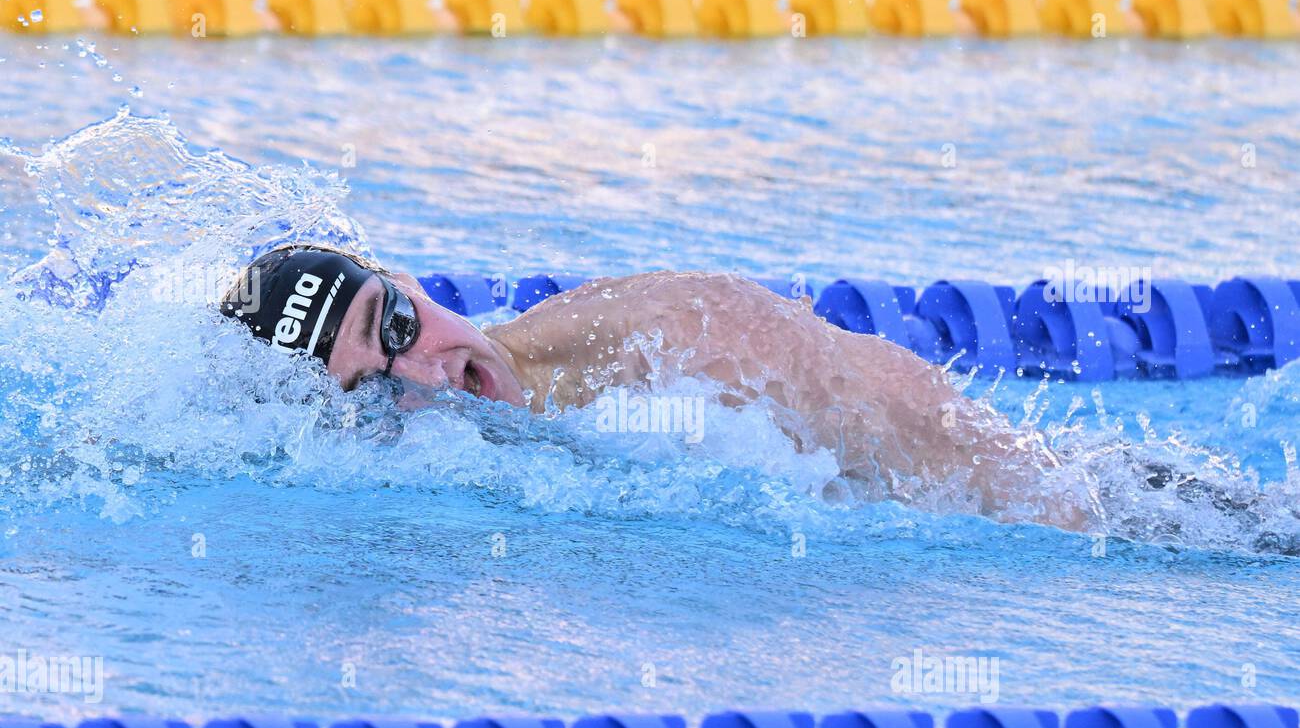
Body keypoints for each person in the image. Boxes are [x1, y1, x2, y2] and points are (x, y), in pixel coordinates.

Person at [221, 244, 1097, 531]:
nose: (428, 375)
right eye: (374, 393)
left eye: (399, 328)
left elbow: (1005, 479)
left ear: (407, 280)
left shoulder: (679, 334)